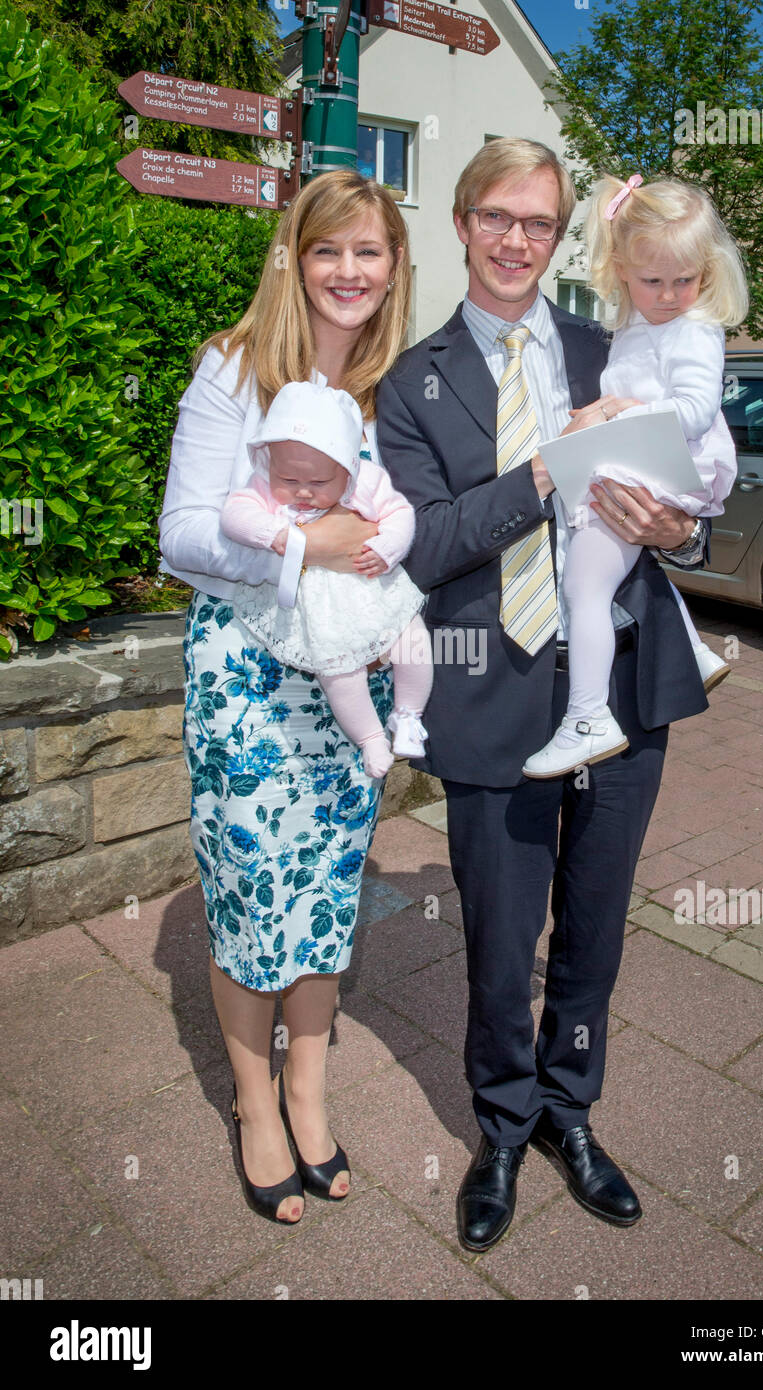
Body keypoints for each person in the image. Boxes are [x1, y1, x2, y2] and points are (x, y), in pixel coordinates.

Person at [376, 138, 710, 1252]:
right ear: (462, 223)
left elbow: (682, 473)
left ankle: (570, 1117)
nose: (517, 241)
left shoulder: (604, 341)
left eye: (537, 222)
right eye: (496, 218)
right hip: (490, 695)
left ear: (558, 232)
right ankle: (502, 1128)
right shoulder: (412, 381)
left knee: (594, 934)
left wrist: (682, 525)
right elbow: (424, 547)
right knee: (500, 933)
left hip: (619, 680)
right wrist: (545, 471)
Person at [159, 169, 411, 1224]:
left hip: (348, 670)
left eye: (369, 251)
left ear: (393, 266)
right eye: (328, 249)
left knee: (325, 888)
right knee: (254, 889)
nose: (348, 271)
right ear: (293, 256)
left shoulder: (390, 382)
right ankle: (254, 1105)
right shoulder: (235, 364)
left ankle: (308, 1088)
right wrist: (307, 544)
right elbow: (180, 534)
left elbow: (399, 522)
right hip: (250, 674)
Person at [523, 171, 748, 777]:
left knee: (584, 587)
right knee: (617, 564)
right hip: (643, 459)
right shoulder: (632, 328)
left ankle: (589, 718)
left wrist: (621, 410)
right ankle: (694, 651)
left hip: (665, 461)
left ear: (707, 272)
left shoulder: (695, 330)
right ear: (620, 268)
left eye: (686, 280)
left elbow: (698, 410)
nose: (671, 294)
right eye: (654, 281)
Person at [221, 380, 433, 779]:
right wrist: (277, 535)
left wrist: (388, 548)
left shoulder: (367, 481)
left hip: (374, 589)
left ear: (348, 467)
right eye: (289, 480)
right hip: (322, 607)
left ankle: (408, 715)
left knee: (415, 641)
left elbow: (400, 514)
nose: (302, 492)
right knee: (338, 669)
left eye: (318, 484)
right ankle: (370, 738)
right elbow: (234, 514)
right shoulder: (264, 483)